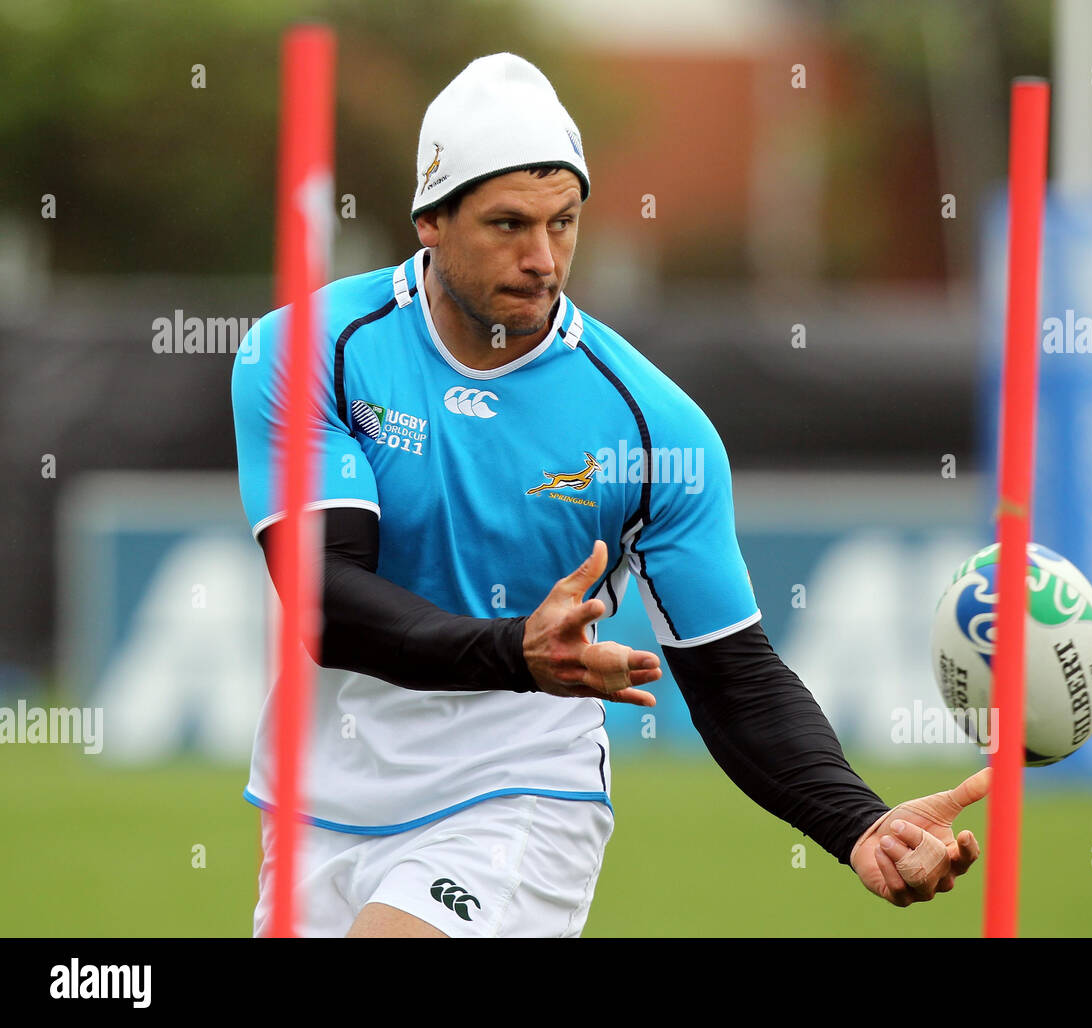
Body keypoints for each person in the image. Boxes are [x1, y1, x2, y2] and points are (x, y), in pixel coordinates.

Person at [232, 52, 989, 939]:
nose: (543, 259)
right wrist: (517, 649)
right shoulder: (311, 350)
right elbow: (329, 603)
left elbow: (733, 673)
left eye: (565, 222)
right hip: (316, 797)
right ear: (430, 221)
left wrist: (856, 819)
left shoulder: (653, 427)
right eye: (508, 224)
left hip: (518, 794)